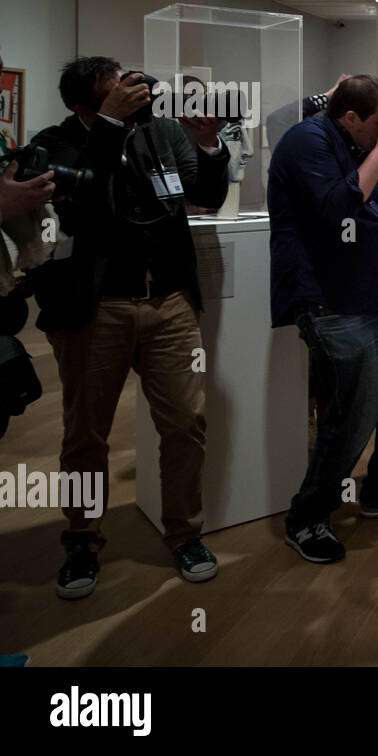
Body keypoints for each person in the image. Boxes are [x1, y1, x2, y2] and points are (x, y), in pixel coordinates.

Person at [30, 57, 230, 598]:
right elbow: (80, 207)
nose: (133, 93)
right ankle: (81, 539)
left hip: (168, 302)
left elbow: (208, 196)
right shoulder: (57, 141)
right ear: (85, 104)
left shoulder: (161, 132)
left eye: (132, 85)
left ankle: (186, 533)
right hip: (98, 309)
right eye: (116, 91)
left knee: (187, 423)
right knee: (86, 435)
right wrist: (111, 127)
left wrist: (210, 145)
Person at [269, 75, 378, 565]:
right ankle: (307, 516)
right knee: (354, 415)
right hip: (329, 297)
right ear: (350, 117)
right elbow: (335, 207)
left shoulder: (366, 145)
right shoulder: (307, 141)